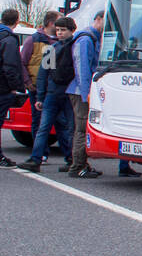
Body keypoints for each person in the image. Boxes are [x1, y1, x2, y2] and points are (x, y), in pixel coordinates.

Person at [16, 16, 75, 173]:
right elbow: (43, 74)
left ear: (71, 31)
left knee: (58, 127)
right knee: (54, 127)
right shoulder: (61, 48)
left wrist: (42, 95)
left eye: (63, 30)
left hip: (59, 93)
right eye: (58, 30)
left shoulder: (58, 48)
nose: (60, 33)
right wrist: (41, 96)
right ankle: (46, 159)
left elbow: (44, 74)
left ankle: (42, 159)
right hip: (60, 93)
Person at [65, 10, 104, 178]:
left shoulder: (90, 38)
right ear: (98, 19)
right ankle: (77, 166)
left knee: (81, 128)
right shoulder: (86, 39)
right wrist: (86, 93)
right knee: (81, 129)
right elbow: (82, 68)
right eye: (105, 20)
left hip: (79, 90)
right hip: (80, 91)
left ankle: (80, 163)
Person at [0, 8, 27, 168]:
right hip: (3, 88)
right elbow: (10, 66)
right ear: (17, 21)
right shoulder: (9, 40)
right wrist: (16, 87)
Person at [20, 10, 60, 94]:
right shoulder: (33, 40)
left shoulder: (61, 41)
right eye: (59, 22)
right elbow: (22, 62)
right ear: (51, 23)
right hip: (35, 87)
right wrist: (28, 82)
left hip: (54, 88)